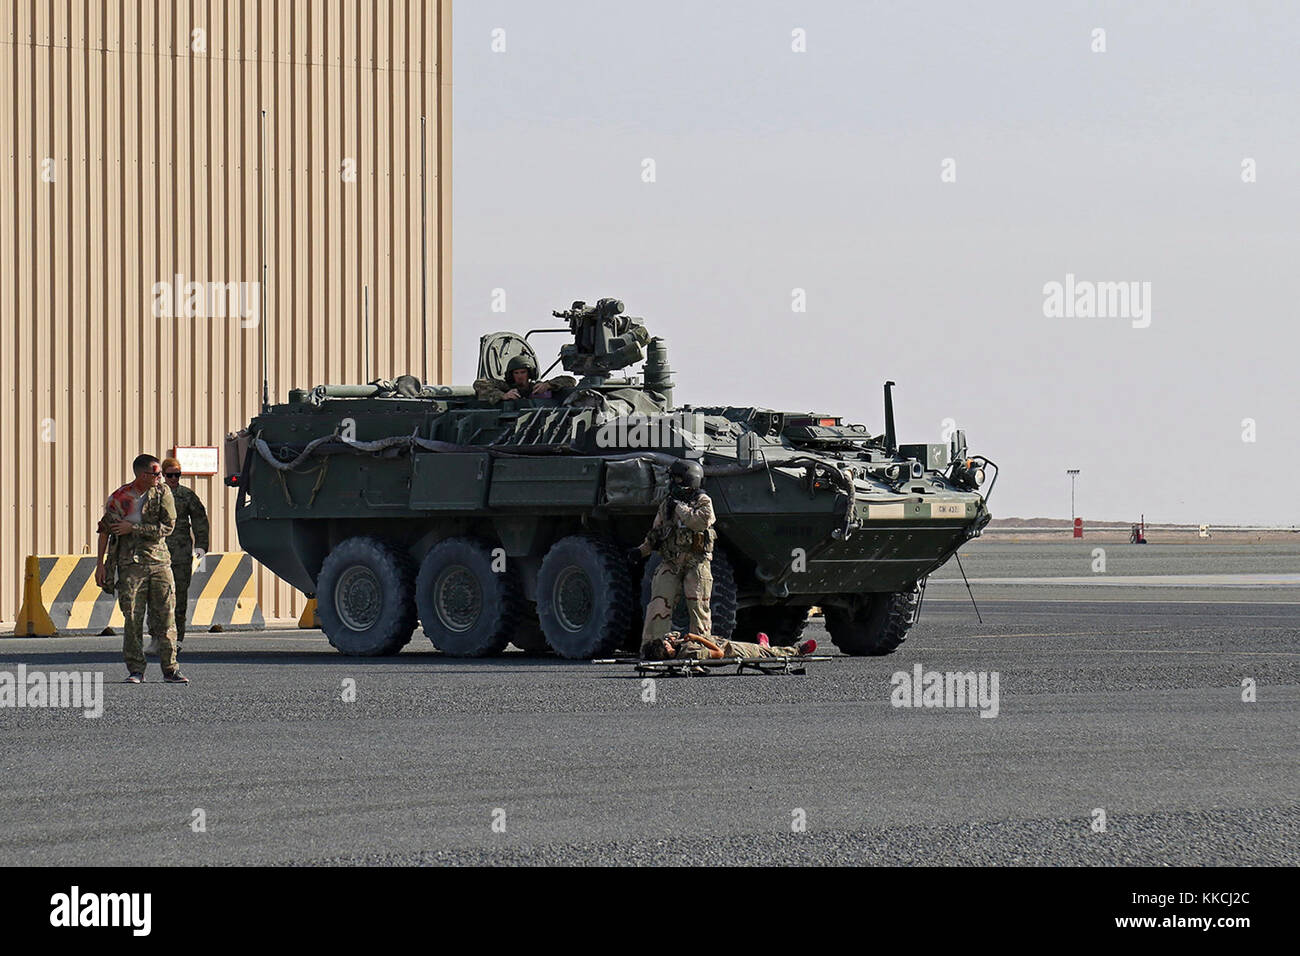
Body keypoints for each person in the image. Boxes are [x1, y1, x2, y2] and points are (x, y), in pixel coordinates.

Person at [94, 454, 188, 684]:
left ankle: (170, 669)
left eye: (160, 474)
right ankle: (136, 670)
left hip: (158, 563)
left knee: (166, 617)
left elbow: (167, 526)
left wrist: (133, 527)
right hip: (130, 565)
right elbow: (105, 530)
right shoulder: (120, 497)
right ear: (141, 474)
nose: (160, 477)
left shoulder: (162, 493)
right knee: (133, 618)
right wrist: (100, 565)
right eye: (155, 474)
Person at [633, 459, 714, 644]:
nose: (673, 484)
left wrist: (679, 507)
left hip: (696, 564)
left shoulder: (703, 501)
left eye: (677, 480)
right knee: (658, 605)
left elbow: (699, 522)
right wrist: (641, 551)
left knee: (698, 608)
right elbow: (656, 534)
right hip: (671, 561)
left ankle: (697, 652)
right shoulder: (667, 505)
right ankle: (653, 649)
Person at [159, 456, 210, 653]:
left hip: (180, 553)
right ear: (163, 475)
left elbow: (200, 520)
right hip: (158, 553)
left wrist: (201, 546)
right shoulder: (154, 494)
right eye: (170, 475)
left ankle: (177, 639)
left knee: (180, 597)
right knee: (158, 598)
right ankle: (158, 637)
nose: (174, 478)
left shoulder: (187, 495)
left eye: (177, 475)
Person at [641, 630, 818, 660]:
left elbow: (673, 635)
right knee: (762, 653)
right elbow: (718, 654)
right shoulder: (689, 654)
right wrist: (697, 638)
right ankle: (798, 651)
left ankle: (764, 645)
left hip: (727, 644)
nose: (668, 642)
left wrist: (673, 640)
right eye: (666, 645)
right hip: (730, 651)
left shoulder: (679, 648)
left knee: (758, 649)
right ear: (667, 651)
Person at [473, 354, 576, 404]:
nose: (520, 376)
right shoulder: (506, 387)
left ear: (529, 374)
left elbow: (570, 381)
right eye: (516, 373)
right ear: (511, 375)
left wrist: (548, 385)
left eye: (523, 372)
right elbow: (479, 383)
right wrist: (503, 395)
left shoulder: (537, 387)